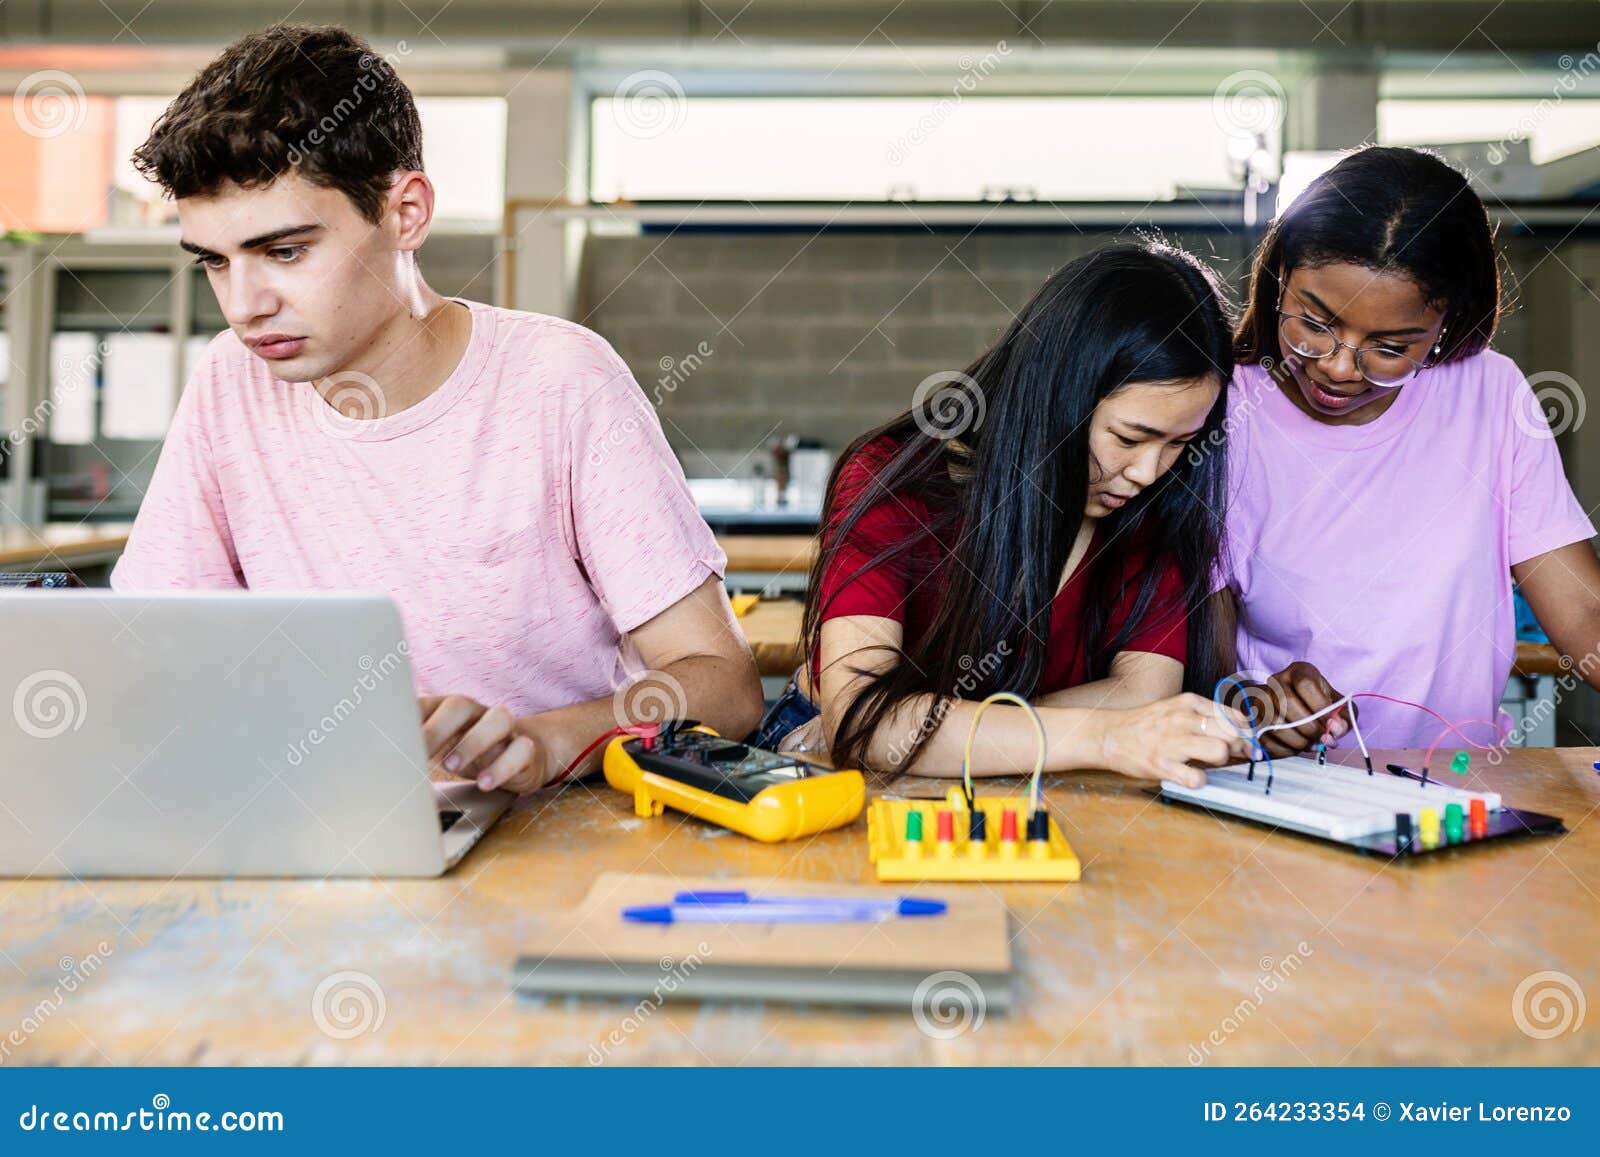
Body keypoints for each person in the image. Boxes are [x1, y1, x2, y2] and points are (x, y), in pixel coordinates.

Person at [111, 24, 764, 792]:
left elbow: (725, 685)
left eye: (285, 251)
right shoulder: (230, 380)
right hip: (331, 811)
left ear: (406, 213)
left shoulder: (562, 381)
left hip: (554, 824)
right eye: (216, 263)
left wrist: (547, 742)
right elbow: (159, 653)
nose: (244, 306)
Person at [756, 244, 1250, 787]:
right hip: (829, 766)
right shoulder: (894, 482)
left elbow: (1146, 694)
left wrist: (938, 732)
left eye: (1180, 443)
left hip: (1034, 778)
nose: (1148, 472)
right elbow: (863, 723)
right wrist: (1104, 735)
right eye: (1128, 438)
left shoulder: (1155, 508)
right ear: (1057, 396)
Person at [1216, 146, 1598, 754]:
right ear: (1280, 276)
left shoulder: (1491, 394)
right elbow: (1198, 665)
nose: (1340, 367)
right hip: (1286, 787)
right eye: (1314, 324)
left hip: (1463, 785)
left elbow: (1583, 616)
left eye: (1391, 347)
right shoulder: (1223, 416)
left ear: (1447, 324)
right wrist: (1259, 705)